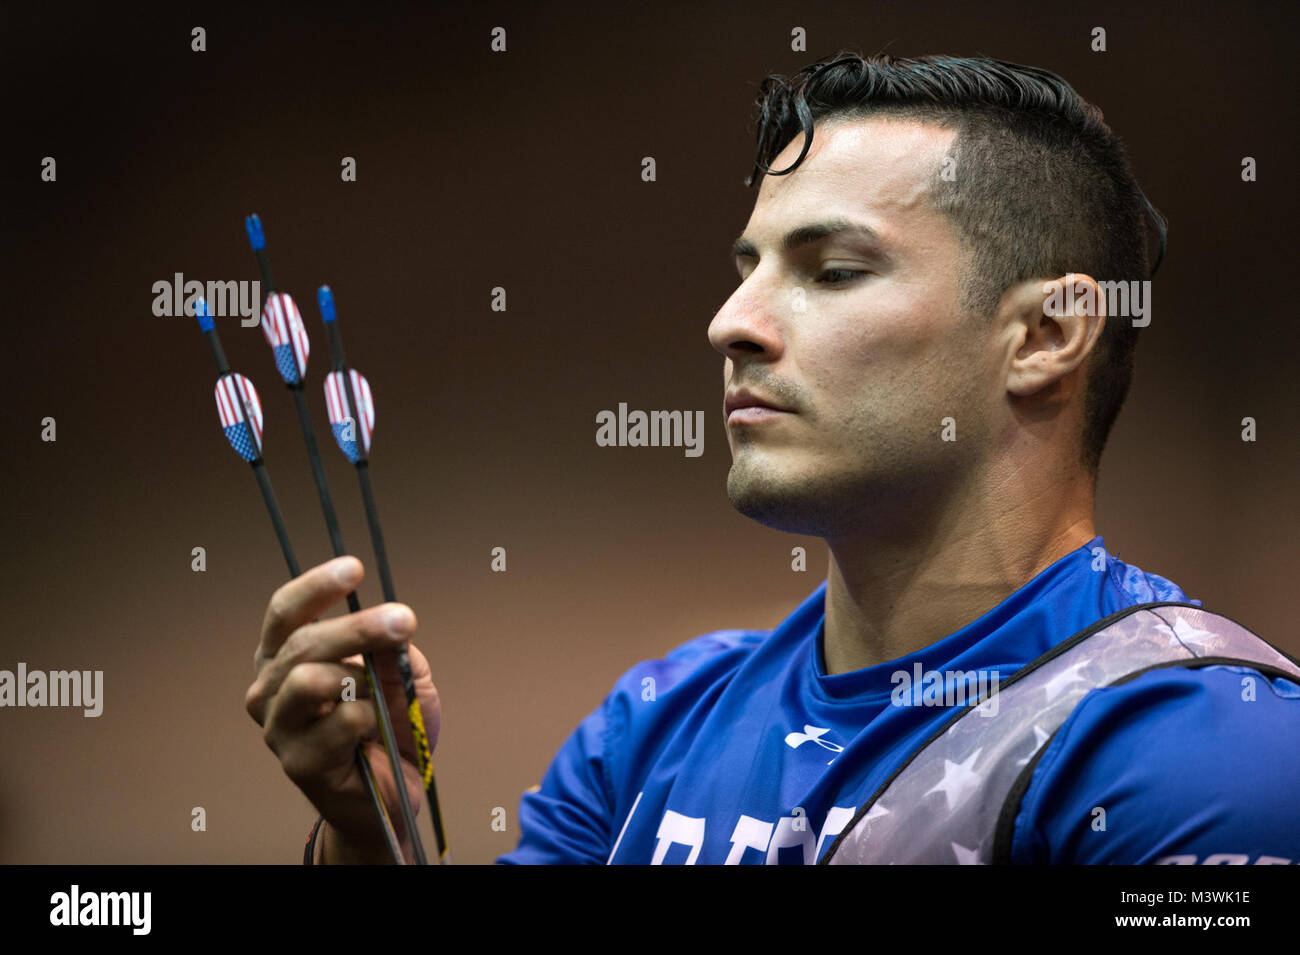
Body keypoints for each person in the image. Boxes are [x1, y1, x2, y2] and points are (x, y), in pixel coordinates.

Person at [244, 52, 1300, 865]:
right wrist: (368, 841)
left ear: (1044, 338)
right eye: (746, 269)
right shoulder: (655, 725)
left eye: (831, 271)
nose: (729, 324)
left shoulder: (1202, 750)